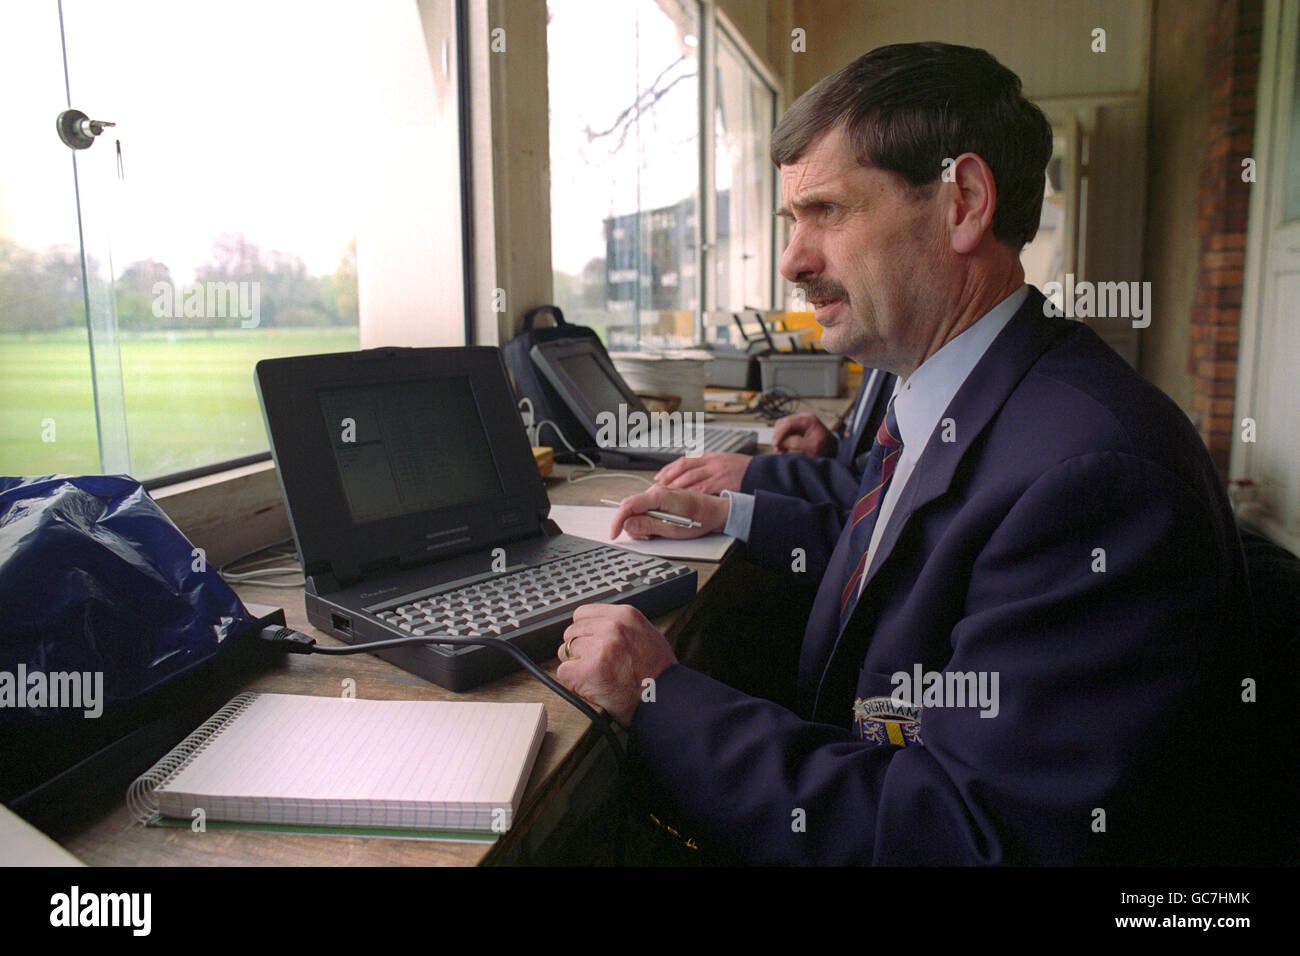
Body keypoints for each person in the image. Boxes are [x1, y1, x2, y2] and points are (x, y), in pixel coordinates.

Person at [554, 42, 1263, 864]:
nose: (792, 260)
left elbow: (967, 838)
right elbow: (903, 555)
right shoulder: (951, 390)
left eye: (828, 212)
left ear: (962, 202)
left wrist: (664, 700)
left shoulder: (1094, 480)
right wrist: (729, 514)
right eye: (792, 221)